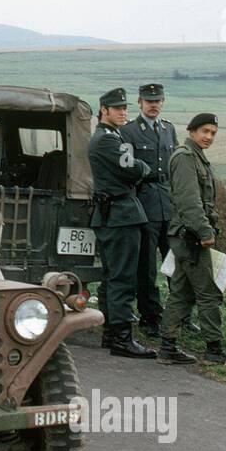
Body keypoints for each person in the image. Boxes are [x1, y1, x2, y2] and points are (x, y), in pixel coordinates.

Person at [158, 113, 226, 366]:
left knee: (181, 292)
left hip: (187, 236)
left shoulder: (195, 158)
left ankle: (167, 346)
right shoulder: (185, 158)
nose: (209, 137)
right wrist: (205, 233)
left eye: (213, 133)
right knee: (209, 293)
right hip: (191, 237)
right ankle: (214, 349)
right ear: (192, 131)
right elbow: (189, 202)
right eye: (205, 131)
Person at [88, 87, 156, 358]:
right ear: (103, 110)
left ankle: (111, 334)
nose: (123, 112)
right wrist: (143, 168)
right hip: (119, 215)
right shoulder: (105, 140)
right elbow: (133, 168)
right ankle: (121, 339)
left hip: (118, 213)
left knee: (114, 276)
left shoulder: (112, 137)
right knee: (122, 278)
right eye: (117, 108)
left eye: (125, 108)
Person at [120, 83, 177, 337]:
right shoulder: (129, 131)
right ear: (140, 102)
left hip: (169, 204)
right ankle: (150, 316)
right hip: (144, 205)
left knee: (175, 263)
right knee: (147, 267)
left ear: (163, 102)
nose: (153, 105)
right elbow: (125, 171)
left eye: (158, 100)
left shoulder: (168, 129)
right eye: (148, 101)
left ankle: (179, 315)